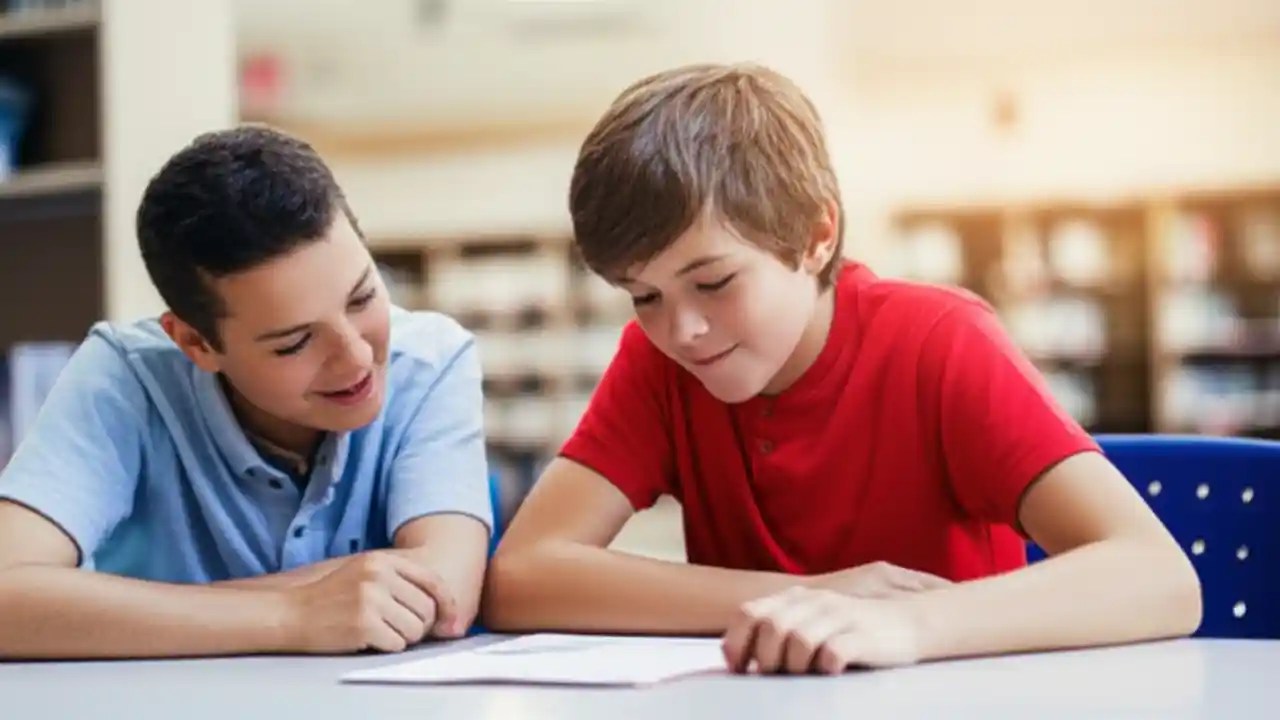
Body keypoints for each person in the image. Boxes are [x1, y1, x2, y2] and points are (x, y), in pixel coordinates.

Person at [483, 63, 1201, 675]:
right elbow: (522, 575)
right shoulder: (658, 363)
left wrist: (908, 626)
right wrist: (806, 599)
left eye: (714, 282)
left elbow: (1160, 576)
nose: (683, 329)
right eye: (643, 295)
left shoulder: (940, 340)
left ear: (816, 237)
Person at [0, 126, 492, 659]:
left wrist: (124, 609)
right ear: (195, 343)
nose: (355, 357)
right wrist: (293, 614)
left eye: (363, 297)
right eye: (295, 342)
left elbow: (447, 595)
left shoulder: (432, 362)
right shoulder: (126, 377)